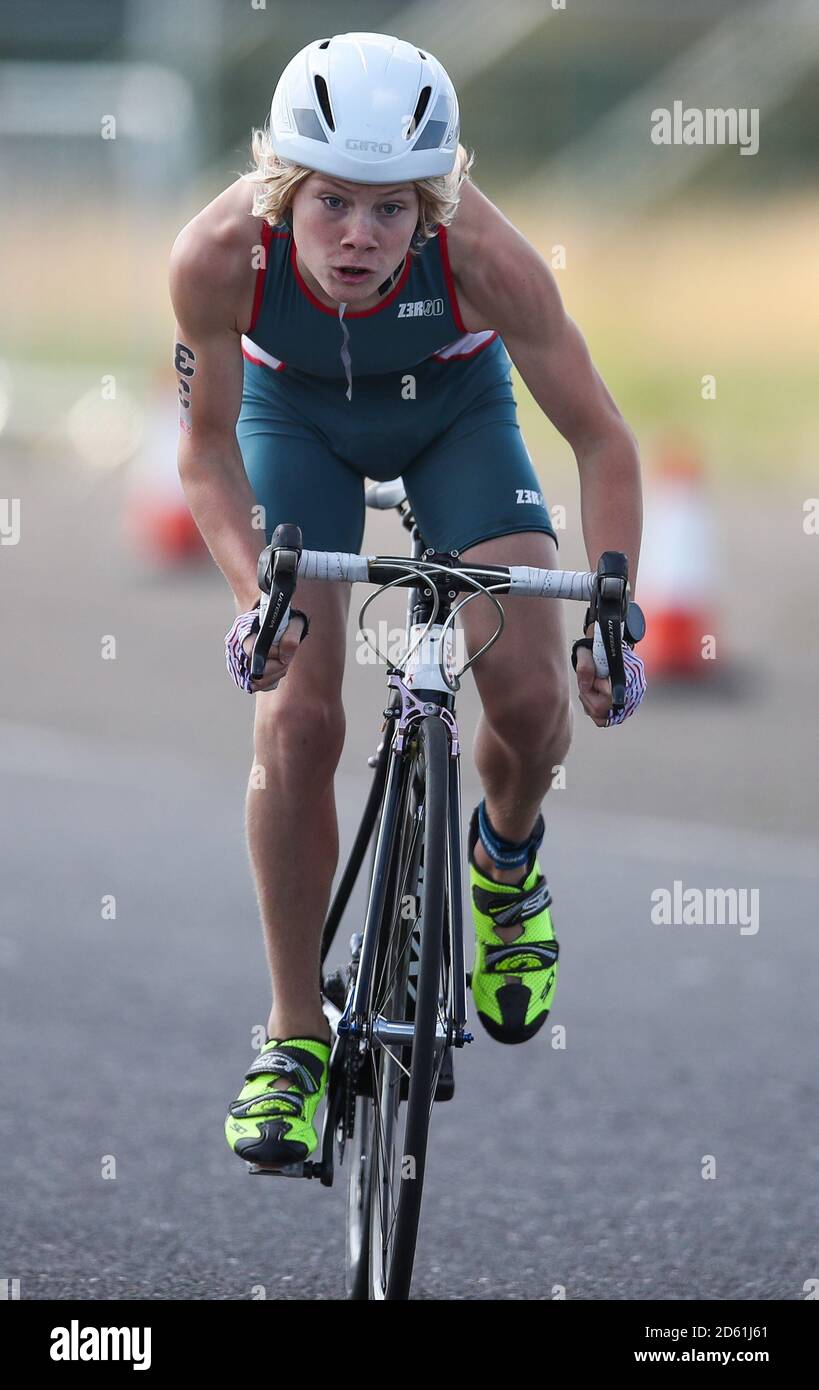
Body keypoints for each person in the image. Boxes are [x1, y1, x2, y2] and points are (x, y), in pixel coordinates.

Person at [169, 32, 646, 1170]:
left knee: (532, 699)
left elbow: (604, 438)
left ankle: (506, 861)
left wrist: (616, 610)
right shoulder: (217, 256)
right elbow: (203, 455)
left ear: (432, 203)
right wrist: (256, 599)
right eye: (332, 202)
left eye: (392, 210)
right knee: (297, 714)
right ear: (286, 190)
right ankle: (294, 1034)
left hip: (453, 416)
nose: (359, 237)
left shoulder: (485, 256)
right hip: (297, 431)